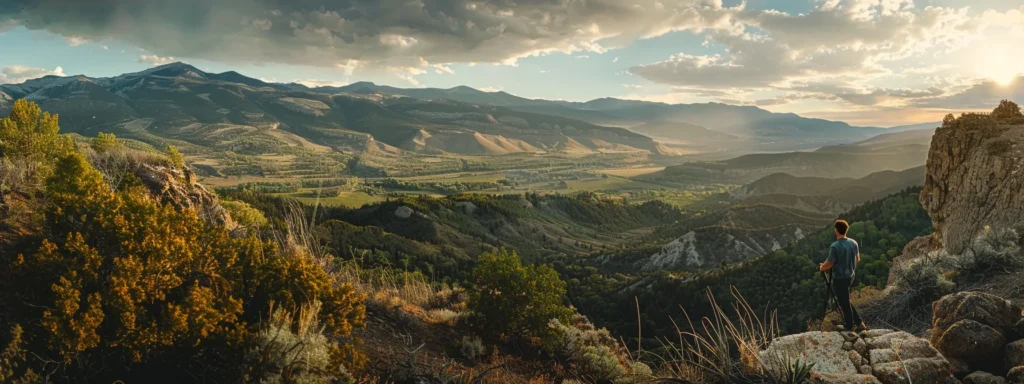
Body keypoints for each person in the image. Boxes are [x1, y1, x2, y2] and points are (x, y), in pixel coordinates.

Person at [819, 220, 867, 332]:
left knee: (844, 302)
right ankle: (860, 323)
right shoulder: (853, 242)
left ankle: (849, 326)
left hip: (840, 278)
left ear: (836, 230)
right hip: (850, 275)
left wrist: (821, 267)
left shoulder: (835, 246)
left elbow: (829, 263)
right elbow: (857, 258)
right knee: (846, 300)